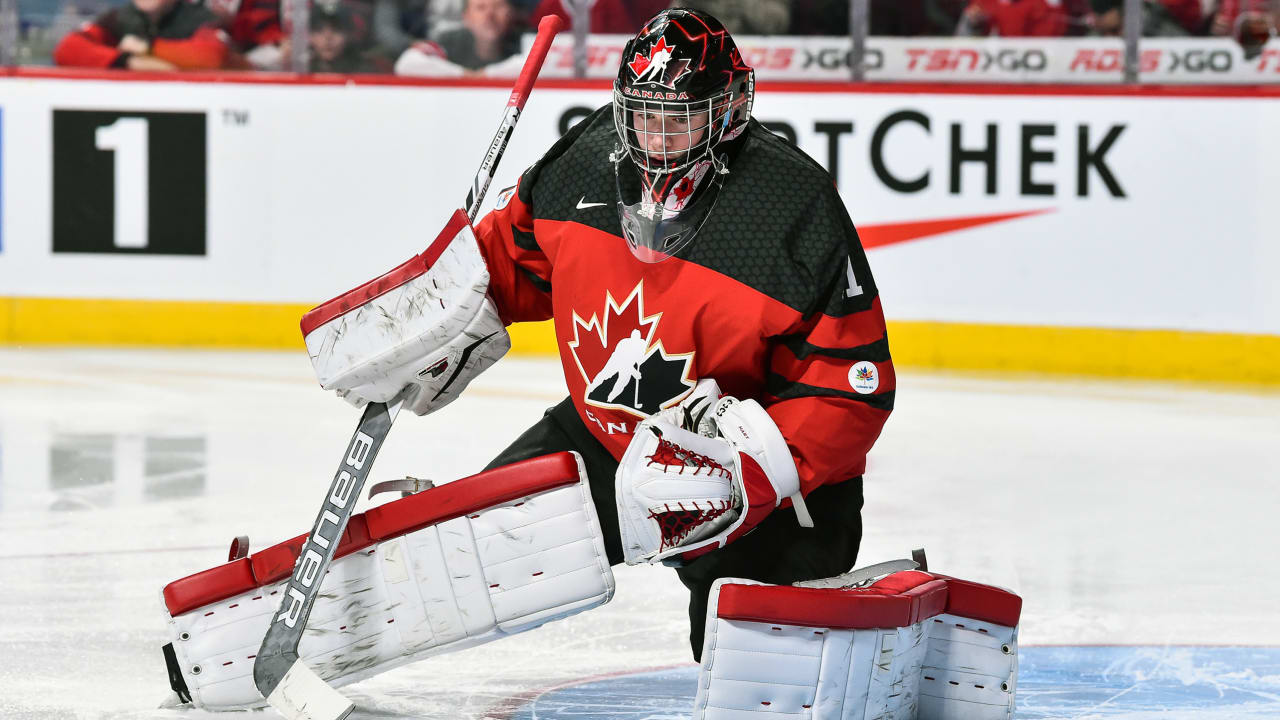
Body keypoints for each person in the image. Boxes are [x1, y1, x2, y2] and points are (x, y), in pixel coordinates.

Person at [464, 7, 896, 656]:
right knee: (479, 547)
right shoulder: (584, 162)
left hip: (764, 481)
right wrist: (443, 310)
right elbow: (511, 259)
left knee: (753, 667)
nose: (659, 137)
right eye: (645, 116)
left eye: (681, 118)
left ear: (727, 111)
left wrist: (750, 473)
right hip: (613, 432)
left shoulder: (792, 205)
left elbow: (853, 384)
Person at [53, 0, 229, 69]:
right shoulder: (119, 18)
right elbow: (68, 49)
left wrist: (148, 48)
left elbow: (212, 57)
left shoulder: (201, 18)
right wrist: (128, 61)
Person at [394, 0, 522, 75]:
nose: (489, 15)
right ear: (466, 17)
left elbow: (542, 65)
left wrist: (485, 75)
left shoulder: (525, 40)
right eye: (481, 8)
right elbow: (406, 63)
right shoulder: (448, 41)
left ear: (511, 13)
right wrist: (464, 75)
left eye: (498, 7)